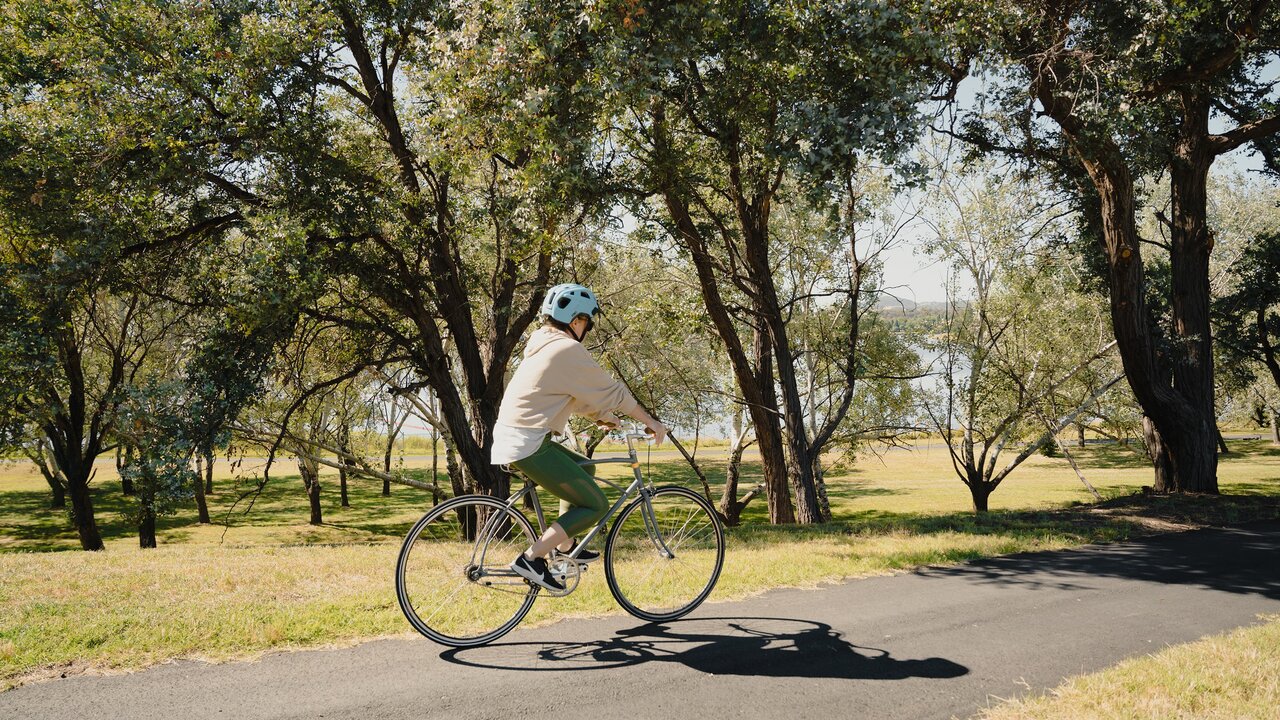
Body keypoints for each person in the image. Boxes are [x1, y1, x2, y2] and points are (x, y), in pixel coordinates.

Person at [492, 283, 667, 591]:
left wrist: (601, 416)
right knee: (596, 505)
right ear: (576, 320)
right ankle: (531, 559)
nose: (588, 328)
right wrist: (652, 422)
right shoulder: (567, 349)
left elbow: (572, 392)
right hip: (528, 444)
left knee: (585, 468)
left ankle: (563, 550)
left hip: (519, 437)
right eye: (588, 321)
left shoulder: (544, 342)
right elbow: (613, 392)